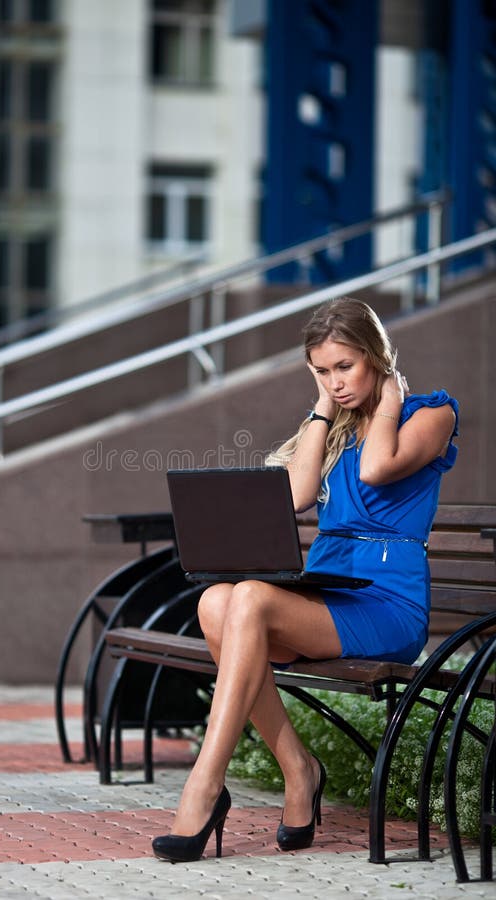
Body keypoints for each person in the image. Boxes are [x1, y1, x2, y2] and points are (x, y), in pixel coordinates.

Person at [152, 296, 459, 863]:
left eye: (345, 367)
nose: (336, 382)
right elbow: (293, 498)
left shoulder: (431, 415)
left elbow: (377, 468)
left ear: (375, 357)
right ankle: (299, 768)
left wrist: (389, 398)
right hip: (327, 592)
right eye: (321, 371)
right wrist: (322, 410)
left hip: (386, 604)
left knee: (245, 601)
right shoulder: (332, 425)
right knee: (216, 601)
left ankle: (204, 784)